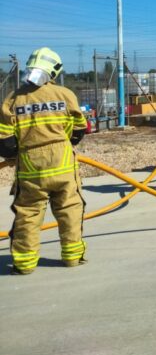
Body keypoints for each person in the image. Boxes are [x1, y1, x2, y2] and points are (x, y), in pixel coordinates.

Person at [0, 48, 88, 275]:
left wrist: (16, 154)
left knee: (28, 213)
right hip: (63, 163)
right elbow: (78, 131)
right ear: (55, 70)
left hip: (30, 166)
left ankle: (24, 264)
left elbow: (6, 143)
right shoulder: (65, 95)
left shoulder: (13, 99)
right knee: (69, 208)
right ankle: (72, 257)